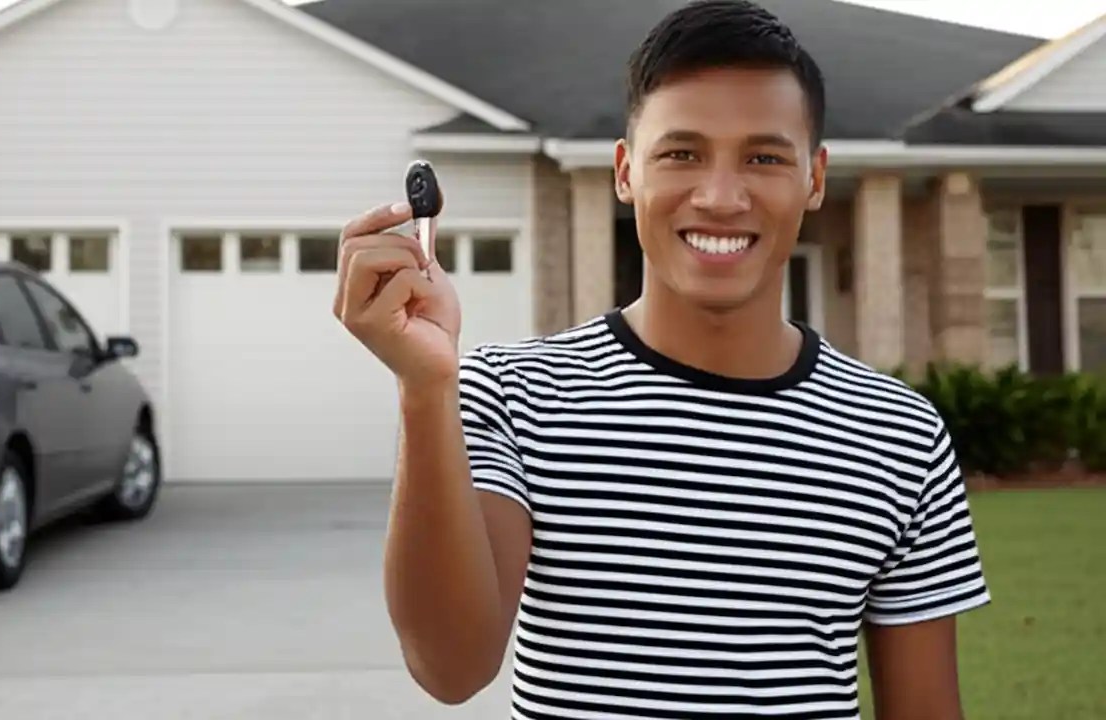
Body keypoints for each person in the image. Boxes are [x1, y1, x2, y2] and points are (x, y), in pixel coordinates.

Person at [332, 0, 990, 717]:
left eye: (764, 158)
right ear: (625, 171)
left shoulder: (899, 434)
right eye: (682, 154)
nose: (720, 197)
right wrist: (425, 388)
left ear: (814, 178)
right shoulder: (510, 394)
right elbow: (450, 667)